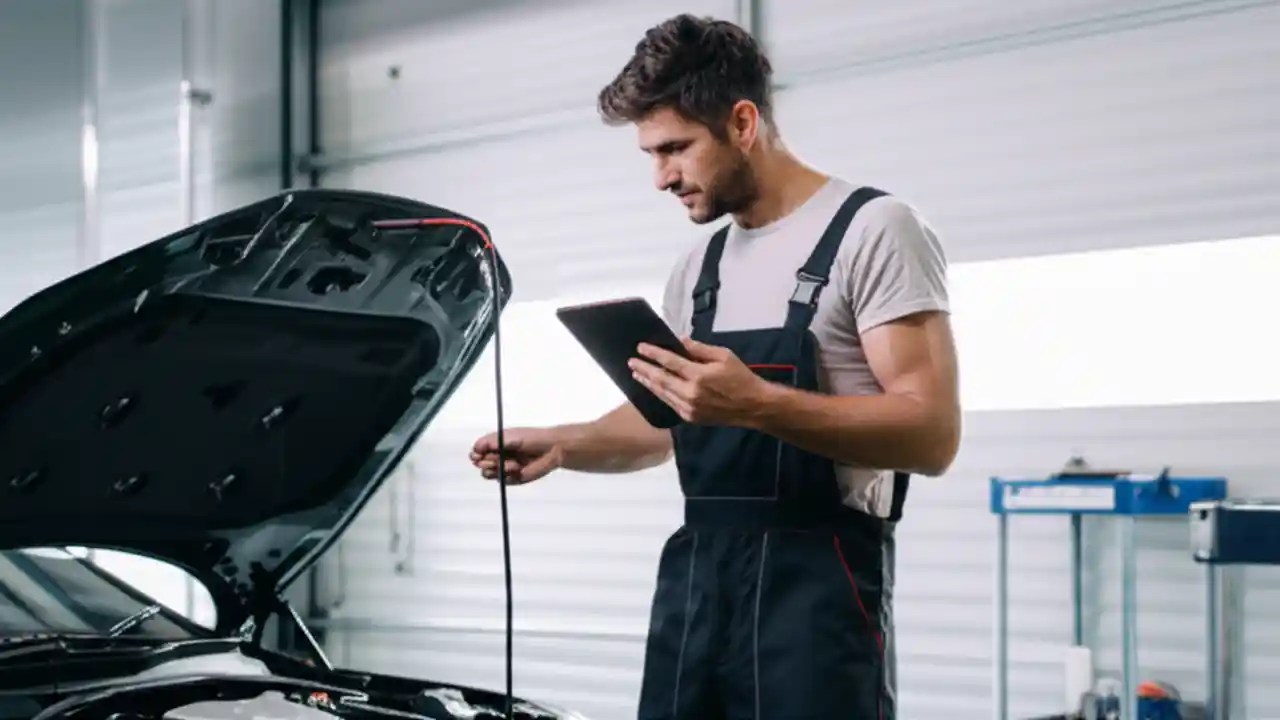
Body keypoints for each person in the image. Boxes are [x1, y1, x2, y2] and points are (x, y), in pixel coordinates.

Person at [469, 13, 960, 720]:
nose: (661, 177)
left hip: (818, 591)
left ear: (741, 122)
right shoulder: (698, 266)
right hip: (696, 583)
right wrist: (564, 443)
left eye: (675, 149)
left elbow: (932, 434)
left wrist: (755, 403)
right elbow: (676, 423)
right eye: (649, 154)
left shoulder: (874, 230)